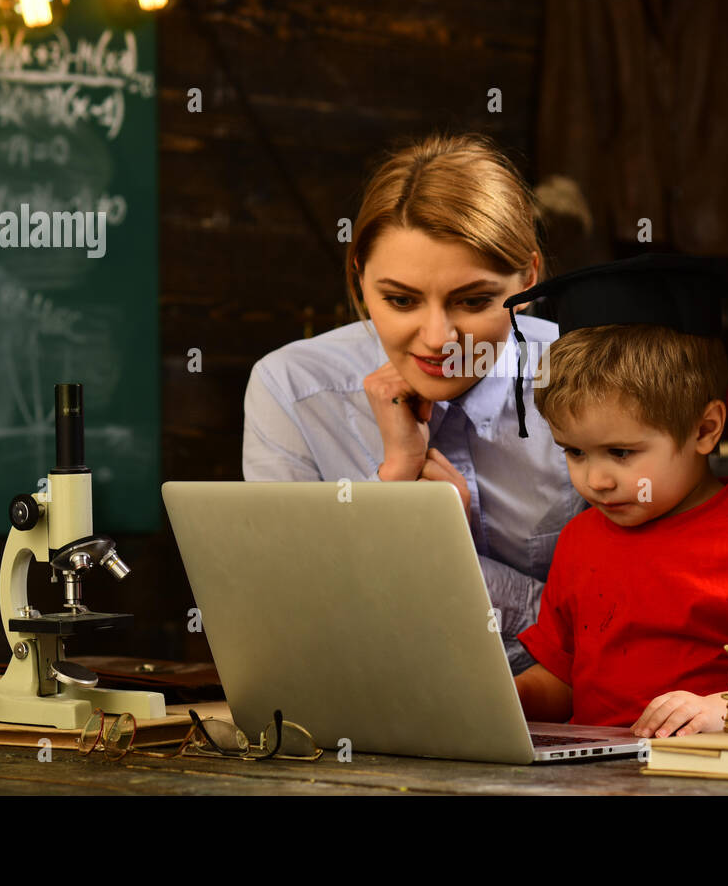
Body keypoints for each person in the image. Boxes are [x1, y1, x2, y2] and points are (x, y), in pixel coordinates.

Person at [242, 132, 586, 672]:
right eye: (400, 300)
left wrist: (446, 557)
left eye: (473, 301)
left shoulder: (589, 375)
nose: (437, 338)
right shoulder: (293, 389)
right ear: (359, 277)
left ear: (528, 280)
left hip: (574, 716)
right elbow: (292, 617)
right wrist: (394, 494)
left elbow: (625, 615)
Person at [504, 255, 728, 738]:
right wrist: (511, 698)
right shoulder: (580, 540)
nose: (595, 479)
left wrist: (724, 711)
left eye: (622, 452)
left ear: (705, 429)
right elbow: (564, 680)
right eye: (574, 451)